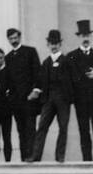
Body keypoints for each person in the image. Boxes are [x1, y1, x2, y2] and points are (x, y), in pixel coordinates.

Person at [66, 19, 93, 161]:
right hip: (81, 101)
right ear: (78, 37)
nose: (85, 38)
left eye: (87, 35)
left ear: (90, 37)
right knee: (84, 131)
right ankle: (87, 162)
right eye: (82, 36)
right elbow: (68, 78)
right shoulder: (71, 56)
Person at [30, 28, 73, 163]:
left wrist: (68, 98)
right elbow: (40, 81)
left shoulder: (67, 61)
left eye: (56, 43)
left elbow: (72, 81)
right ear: (48, 45)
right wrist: (36, 90)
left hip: (63, 100)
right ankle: (35, 156)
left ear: (60, 44)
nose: (53, 46)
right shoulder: (46, 62)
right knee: (42, 127)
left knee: (63, 128)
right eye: (51, 43)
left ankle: (60, 156)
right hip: (48, 100)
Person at [4, 27, 41, 161]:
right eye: (11, 39)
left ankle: (33, 156)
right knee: (20, 130)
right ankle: (23, 158)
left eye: (15, 38)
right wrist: (9, 95)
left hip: (29, 99)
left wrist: (36, 90)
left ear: (19, 37)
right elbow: (8, 79)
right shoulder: (7, 57)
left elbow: (38, 72)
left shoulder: (30, 52)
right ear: (8, 40)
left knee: (30, 129)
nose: (13, 41)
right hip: (16, 101)